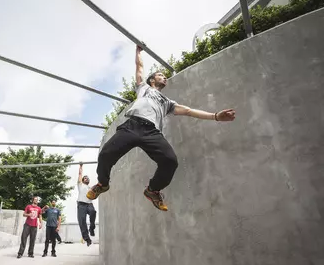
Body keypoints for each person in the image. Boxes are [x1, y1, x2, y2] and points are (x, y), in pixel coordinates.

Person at [87, 45, 236, 211]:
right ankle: (102, 184)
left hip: (151, 132)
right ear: (152, 80)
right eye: (160, 75)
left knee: (170, 161)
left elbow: (188, 111)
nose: (164, 77)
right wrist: (138, 51)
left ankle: (152, 190)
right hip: (132, 126)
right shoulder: (143, 88)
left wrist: (215, 116)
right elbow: (139, 68)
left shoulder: (168, 103)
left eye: (165, 76)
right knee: (106, 154)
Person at [77, 163, 96, 246]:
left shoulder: (91, 188)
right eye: (85, 178)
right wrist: (81, 166)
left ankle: (91, 228)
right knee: (82, 222)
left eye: (87, 178)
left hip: (89, 204)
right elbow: (80, 174)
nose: (86, 179)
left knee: (93, 212)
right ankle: (87, 239)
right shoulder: (80, 185)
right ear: (82, 180)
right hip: (81, 205)